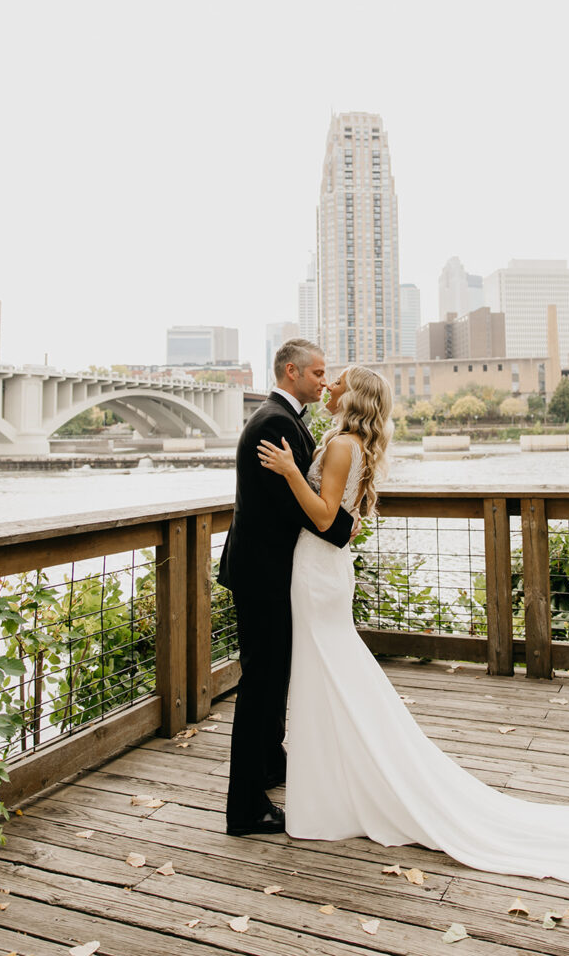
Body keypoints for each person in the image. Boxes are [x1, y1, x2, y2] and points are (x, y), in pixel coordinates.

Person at [256, 365, 569, 887]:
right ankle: (340, 784)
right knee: (332, 674)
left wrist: (292, 472)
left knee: (327, 673)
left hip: (316, 571)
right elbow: (346, 519)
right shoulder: (351, 442)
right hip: (324, 571)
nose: (329, 386)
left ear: (352, 395)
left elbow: (322, 515)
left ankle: (338, 790)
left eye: (337, 381)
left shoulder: (341, 446)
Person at [218, 339, 355, 836]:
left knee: (272, 682)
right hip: (264, 575)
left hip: (266, 570)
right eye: (318, 373)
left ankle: (270, 768)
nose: (324, 380)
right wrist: (344, 527)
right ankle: (245, 808)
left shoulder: (283, 417)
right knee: (260, 687)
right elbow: (295, 506)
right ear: (291, 371)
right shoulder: (275, 422)